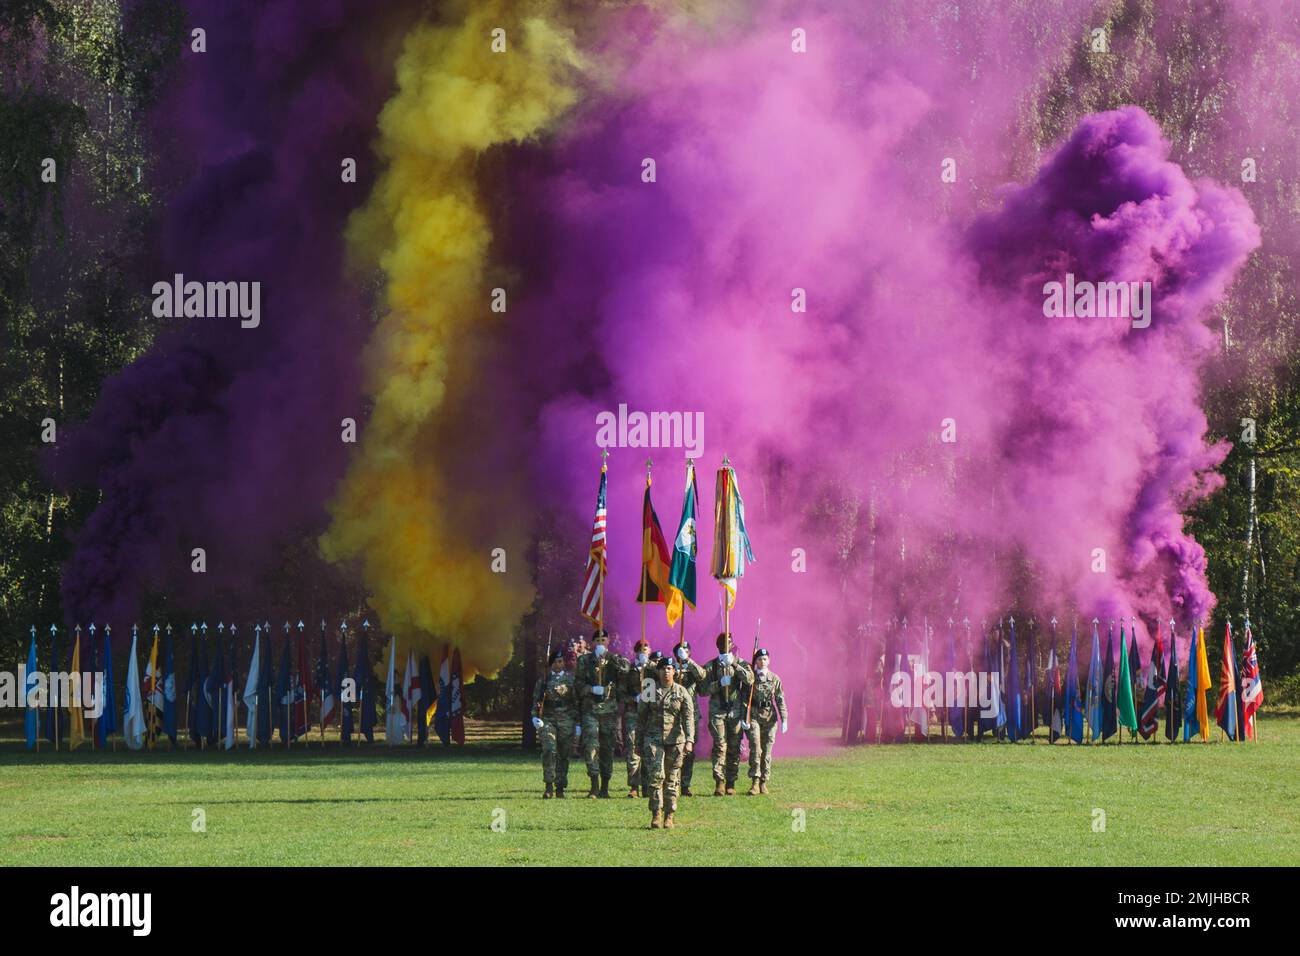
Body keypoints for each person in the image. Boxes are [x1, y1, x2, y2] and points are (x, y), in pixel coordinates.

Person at [637, 656, 694, 829]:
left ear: (674, 671)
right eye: (663, 669)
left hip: (675, 741)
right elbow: (641, 718)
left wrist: (689, 740)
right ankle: (656, 813)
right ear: (658, 671)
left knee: (672, 779)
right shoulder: (649, 690)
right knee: (656, 776)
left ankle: (669, 815)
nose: (666, 672)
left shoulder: (682, 692)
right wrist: (638, 742)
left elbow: (688, 717)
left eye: (669, 669)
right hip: (654, 740)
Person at [575, 629, 631, 798]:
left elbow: (626, 669)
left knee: (607, 748)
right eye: (597, 640)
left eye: (603, 640)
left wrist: (609, 656)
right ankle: (594, 785)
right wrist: (590, 689)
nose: (600, 643)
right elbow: (577, 685)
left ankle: (605, 786)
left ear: (608, 641)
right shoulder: (584, 660)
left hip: (609, 711)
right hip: (590, 710)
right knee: (591, 747)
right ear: (593, 643)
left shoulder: (615, 659)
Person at [703, 632, 753, 796]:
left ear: (732, 645)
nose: (727, 644)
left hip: (735, 712)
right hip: (717, 712)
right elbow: (702, 689)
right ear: (718, 645)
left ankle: (731, 782)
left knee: (734, 747)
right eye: (723, 642)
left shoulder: (740, 663)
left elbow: (750, 679)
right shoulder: (711, 666)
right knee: (720, 746)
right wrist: (718, 684)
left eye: (729, 641)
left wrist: (734, 665)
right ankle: (720, 782)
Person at [532, 647, 577, 798]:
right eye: (555, 662)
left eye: (560, 661)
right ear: (550, 664)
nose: (558, 664)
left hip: (566, 720)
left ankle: (560, 787)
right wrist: (534, 717)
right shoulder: (544, 680)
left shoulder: (570, 680)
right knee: (549, 750)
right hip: (548, 719)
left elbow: (576, 702)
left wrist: (577, 723)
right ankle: (549, 785)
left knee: (564, 754)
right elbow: (536, 701)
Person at [741, 647, 787, 794]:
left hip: (770, 719)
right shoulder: (750, 678)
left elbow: (780, 700)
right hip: (754, 716)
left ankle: (763, 781)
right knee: (756, 749)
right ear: (756, 662)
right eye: (760, 659)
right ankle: (755, 781)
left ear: (769, 661)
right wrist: (744, 717)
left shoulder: (774, 678)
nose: (762, 661)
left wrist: (784, 719)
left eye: (765, 659)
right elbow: (744, 699)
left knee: (766, 751)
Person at [619, 639, 655, 797]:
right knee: (633, 748)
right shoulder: (629, 671)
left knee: (648, 748)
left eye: (645, 649)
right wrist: (633, 699)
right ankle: (634, 786)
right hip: (633, 713)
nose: (643, 652)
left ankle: (647, 785)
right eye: (640, 649)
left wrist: (649, 665)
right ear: (636, 652)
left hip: (650, 714)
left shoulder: (654, 669)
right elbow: (621, 693)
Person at [672, 639, 708, 795]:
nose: (684, 653)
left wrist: (687, 661)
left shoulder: (693, 669)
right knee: (674, 750)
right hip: (673, 716)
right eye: (681, 651)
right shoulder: (671, 669)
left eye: (687, 651)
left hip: (691, 716)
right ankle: (673, 782)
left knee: (689, 751)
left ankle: (685, 785)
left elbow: (702, 676)